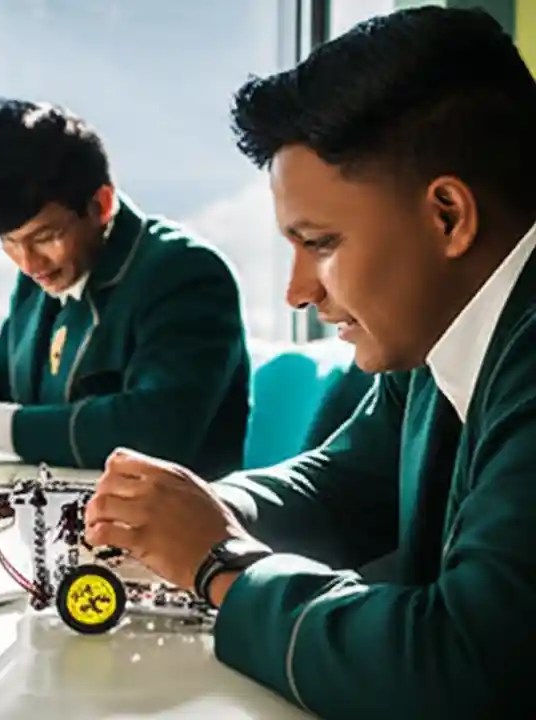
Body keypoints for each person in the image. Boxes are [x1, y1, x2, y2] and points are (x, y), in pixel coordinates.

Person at [84, 8, 536, 716]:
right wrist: (196, 514)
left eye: (320, 243)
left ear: (448, 215)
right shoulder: (441, 330)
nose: (297, 291)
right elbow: (346, 484)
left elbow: (464, 665)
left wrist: (219, 564)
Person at [0, 99, 250, 476]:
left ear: (101, 205)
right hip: (55, 516)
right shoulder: (42, 276)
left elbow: (153, 431)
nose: (29, 263)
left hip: (163, 529)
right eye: (10, 242)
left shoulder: (185, 273)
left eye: (46, 236)